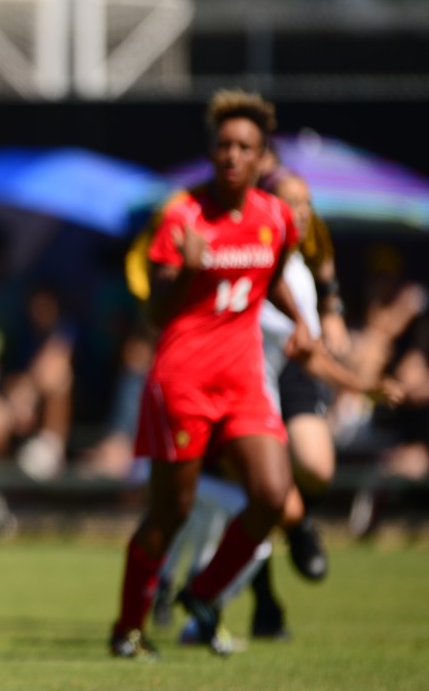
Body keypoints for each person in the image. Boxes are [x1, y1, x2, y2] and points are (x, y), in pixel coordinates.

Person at [109, 89, 314, 660]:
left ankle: (203, 592)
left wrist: (300, 322)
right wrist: (183, 276)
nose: (230, 156)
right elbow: (153, 310)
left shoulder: (274, 217)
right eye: (222, 145)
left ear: (260, 158)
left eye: (243, 147)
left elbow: (269, 277)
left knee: (273, 496)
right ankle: (128, 626)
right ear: (212, 150)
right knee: (170, 512)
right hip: (184, 382)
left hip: (243, 379)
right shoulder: (181, 216)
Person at [154, 170, 399, 643]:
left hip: (245, 409)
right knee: (234, 509)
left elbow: (305, 350)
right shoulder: (245, 258)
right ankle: (176, 598)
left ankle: (198, 607)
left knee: (244, 511)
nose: (302, 215)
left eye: (307, 205)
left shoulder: (298, 276)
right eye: (291, 204)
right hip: (209, 404)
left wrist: (357, 383)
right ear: (268, 209)